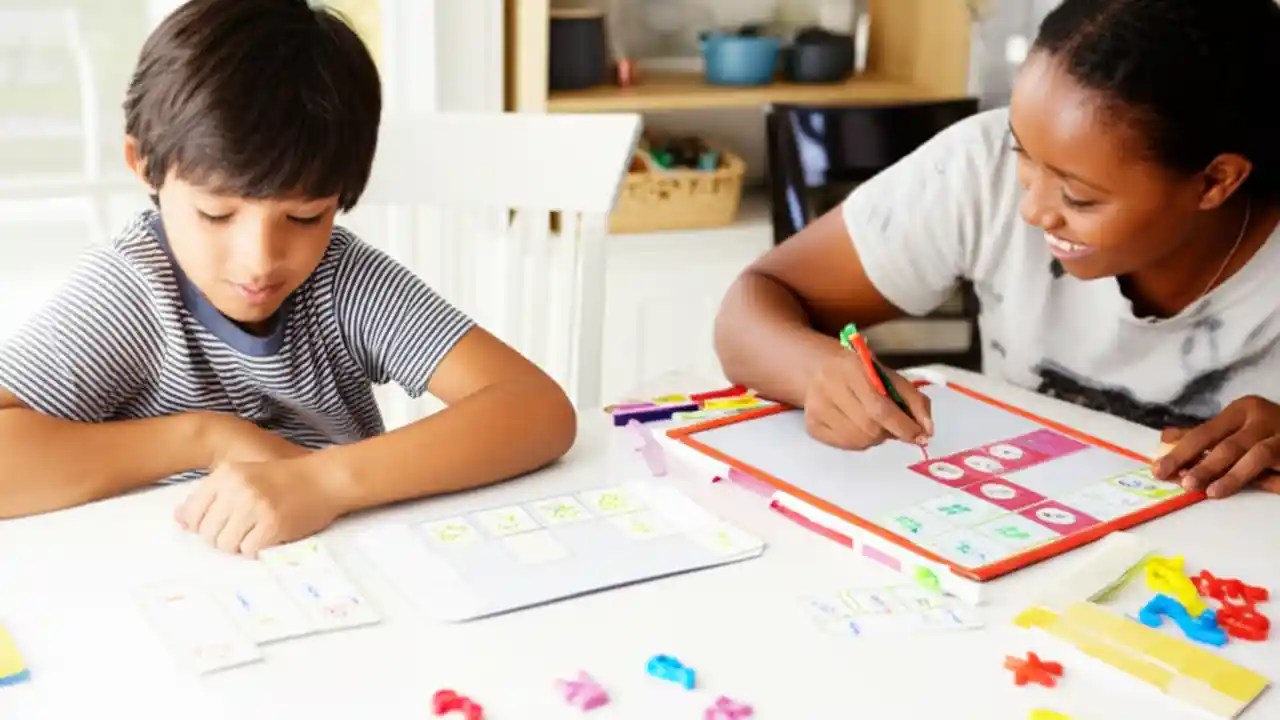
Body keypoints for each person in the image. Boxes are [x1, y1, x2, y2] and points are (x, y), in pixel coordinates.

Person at [0, 0, 578, 553]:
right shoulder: (131, 291)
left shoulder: (340, 279)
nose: (260, 259)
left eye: (304, 217)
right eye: (217, 214)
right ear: (143, 165)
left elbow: (538, 409)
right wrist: (205, 437)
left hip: (347, 573)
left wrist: (323, 483)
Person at [713, 0, 1280, 498]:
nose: (1032, 211)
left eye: (1079, 198)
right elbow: (753, 303)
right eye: (1022, 155)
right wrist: (815, 371)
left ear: (1214, 183)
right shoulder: (980, 168)